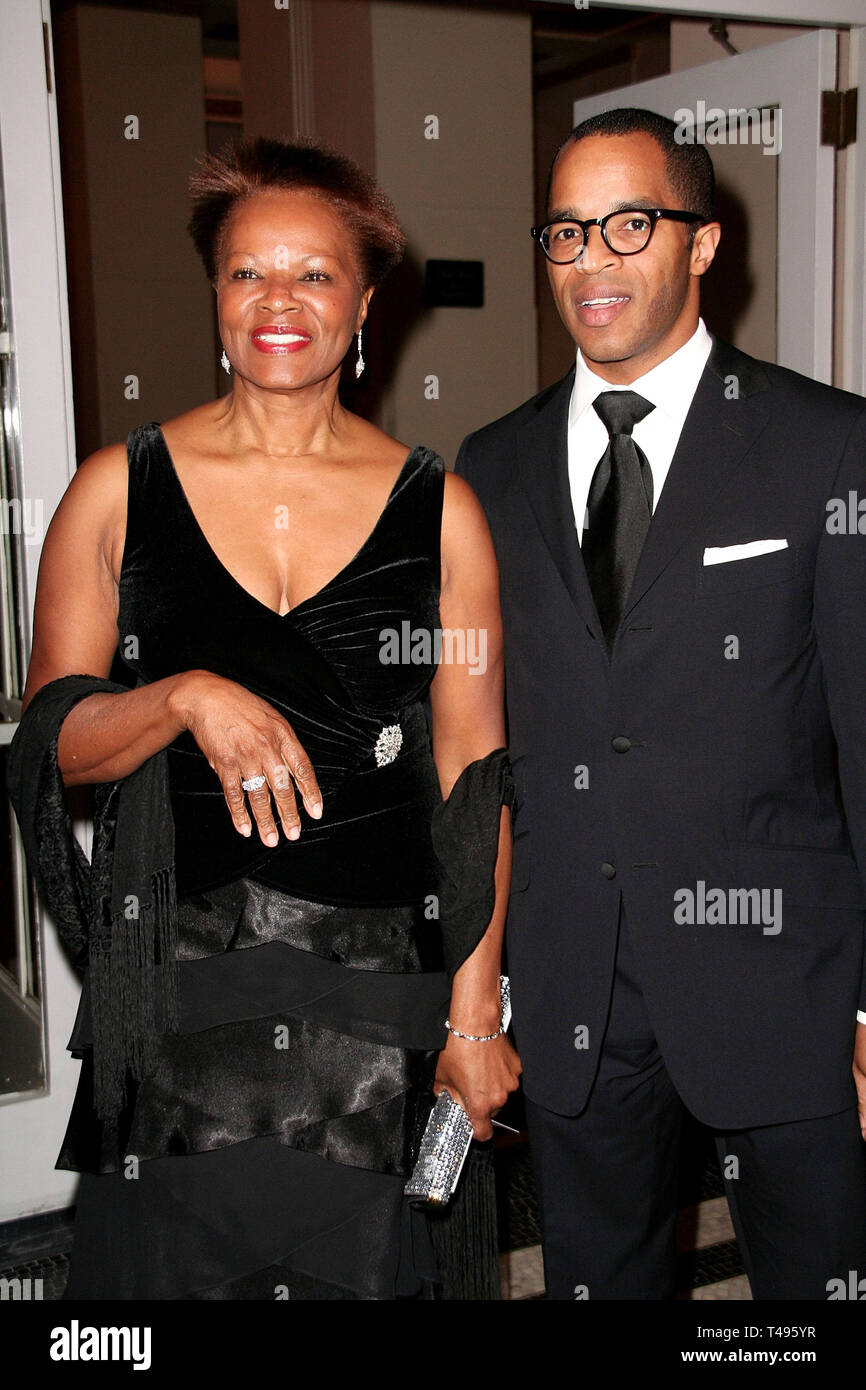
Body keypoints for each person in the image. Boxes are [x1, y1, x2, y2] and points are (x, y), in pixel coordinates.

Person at [9, 137, 521, 1300]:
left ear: (364, 307)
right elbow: (53, 745)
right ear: (215, 298)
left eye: (313, 274)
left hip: (376, 979)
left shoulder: (443, 511)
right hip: (185, 983)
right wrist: (185, 697)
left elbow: (473, 771)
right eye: (247, 273)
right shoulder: (113, 491)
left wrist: (476, 1008)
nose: (277, 301)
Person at [455, 107, 866, 1300]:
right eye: (565, 232)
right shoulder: (489, 465)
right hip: (575, 978)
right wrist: (479, 983)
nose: (592, 260)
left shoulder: (825, 448)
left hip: (782, 980)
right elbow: (483, 748)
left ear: (701, 244)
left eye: (629, 224)